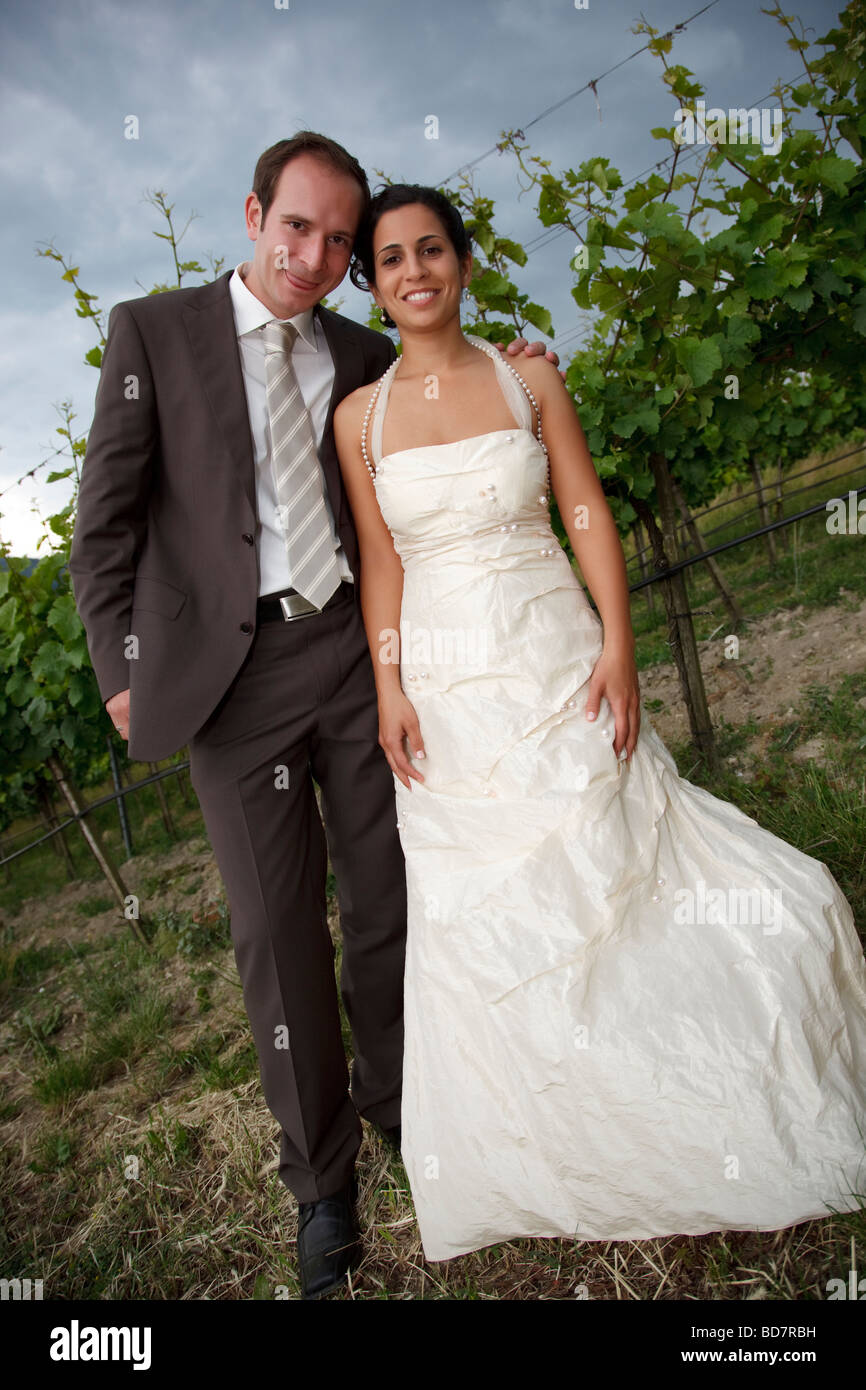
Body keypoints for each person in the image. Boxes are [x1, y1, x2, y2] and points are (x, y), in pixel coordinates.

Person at [333, 182, 866, 1263]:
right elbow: (382, 562)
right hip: (443, 681)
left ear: (464, 264)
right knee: (485, 906)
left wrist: (617, 645)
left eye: (430, 249)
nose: (413, 271)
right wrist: (390, 685)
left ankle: (691, 1068)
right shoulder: (359, 418)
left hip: (549, 649)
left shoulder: (528, 378)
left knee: (627, 861)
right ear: (375, 285)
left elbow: (581, 506)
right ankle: (544, 1114)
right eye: (389, 259)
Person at [68, 134, 556, 1298]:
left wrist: (521, 361)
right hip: (227, 684)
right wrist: (119, 665)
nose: (316, 255)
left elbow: (432, 400)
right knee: (276, 934)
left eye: (340, 241)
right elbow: (106, 523)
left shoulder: (352, 349)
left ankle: (405, 1110)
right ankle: (321, 1181)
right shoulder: (152, 333)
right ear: (251, 215)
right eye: (298, 227)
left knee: (387, 896)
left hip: (353, 651)